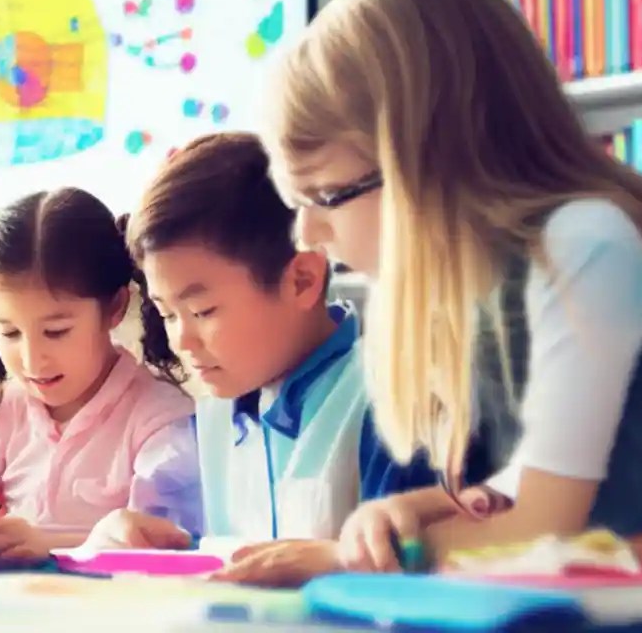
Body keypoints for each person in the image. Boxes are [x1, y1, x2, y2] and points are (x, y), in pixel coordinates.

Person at [261, 0, 642, 572]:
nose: (308, 233)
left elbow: (553, 525)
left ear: (427, 162)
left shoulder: (586, 241)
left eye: (325, 196)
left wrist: (352, 557)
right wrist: (422, 508)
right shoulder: (492, 286)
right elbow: (540, 478)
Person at [87, 132, 436, 586]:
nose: (182, 340)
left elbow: (422, 573)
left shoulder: (387, 402)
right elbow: (203, 551)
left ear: (302, 281)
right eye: (167, 314)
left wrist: (339, 559)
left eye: (202, 312)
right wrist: (122, 536)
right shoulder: (213, 416)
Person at [0, 187, 200, 560]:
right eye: (9, 333)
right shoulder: (6, 409)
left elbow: (159, 540)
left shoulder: (159, 416)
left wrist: (48, 547)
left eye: (56, 332)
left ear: (115, 307)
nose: (33, 360)